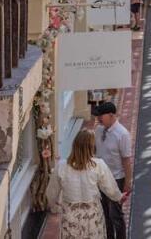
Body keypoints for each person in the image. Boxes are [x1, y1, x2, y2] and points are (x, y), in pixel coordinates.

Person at [46, 130, 122, 238]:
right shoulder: (98, 165)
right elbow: (111, 190)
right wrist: (119, 197)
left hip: (71, 217)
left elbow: (51, 193)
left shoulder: (62, 167)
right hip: (93, 217)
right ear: (92, 147)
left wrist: (53, 206)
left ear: (75, 144)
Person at [94, 102, 133, 239]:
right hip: (100, 178)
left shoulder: (122, 134)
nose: (98, 118)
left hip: (116, 179)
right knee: (104, 213)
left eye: (101, 116)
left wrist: (128, 181)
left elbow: (126, 160)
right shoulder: (98, 130)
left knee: (115, 214)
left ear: (111, 115)